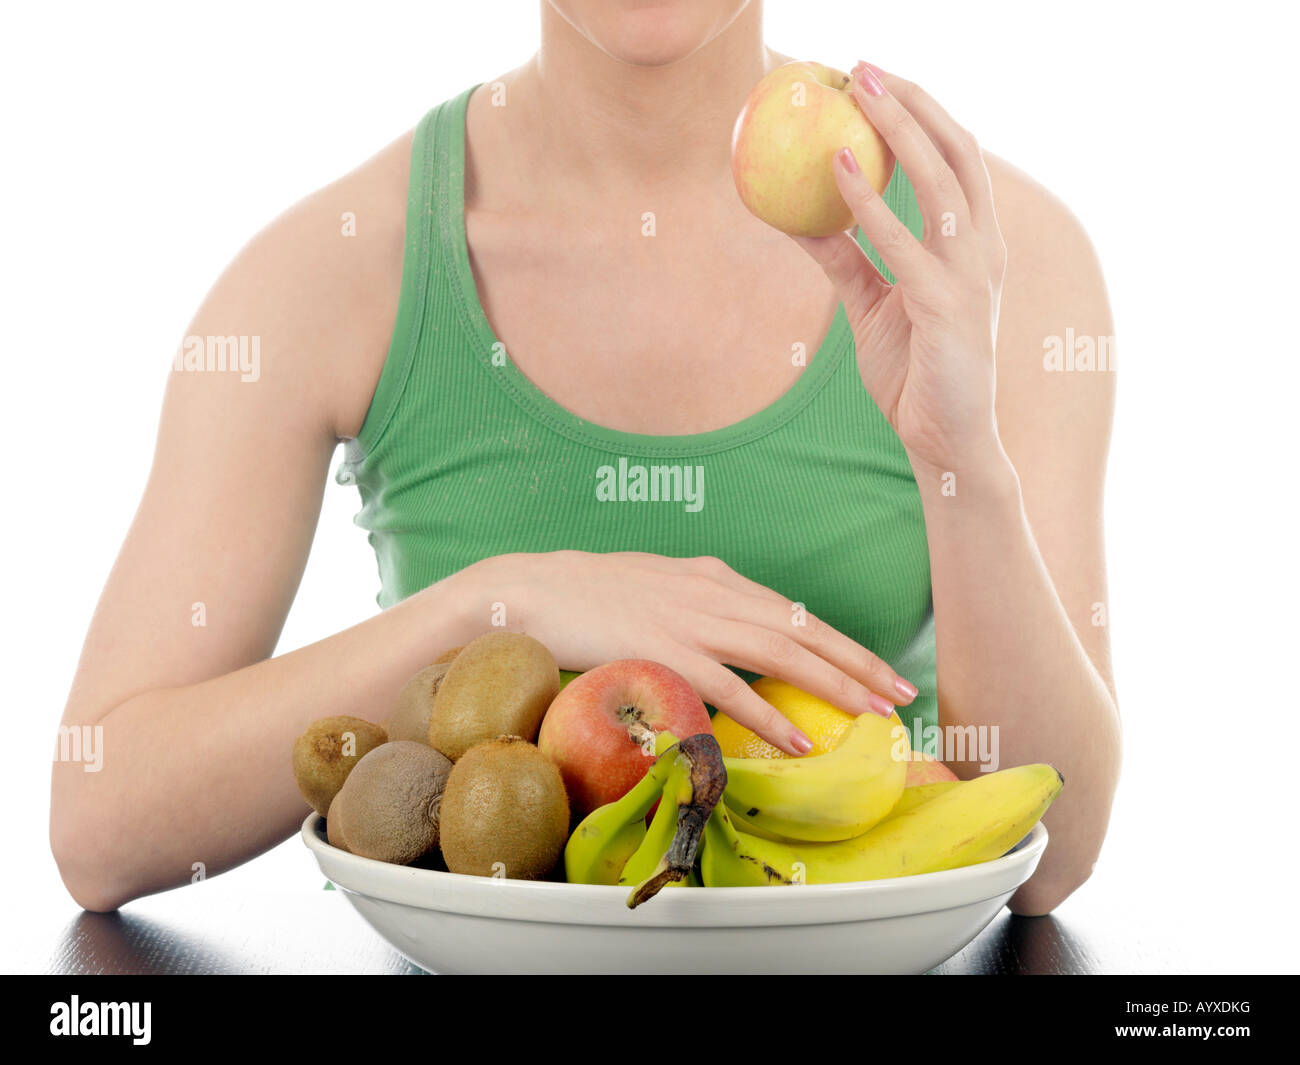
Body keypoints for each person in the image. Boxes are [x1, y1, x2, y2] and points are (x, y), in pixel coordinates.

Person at [51, 0, 1120, 916]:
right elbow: (101, 826)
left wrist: (959, 459)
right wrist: (505, 604)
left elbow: (1049, 858)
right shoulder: (335, 268)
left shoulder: (981, 256)